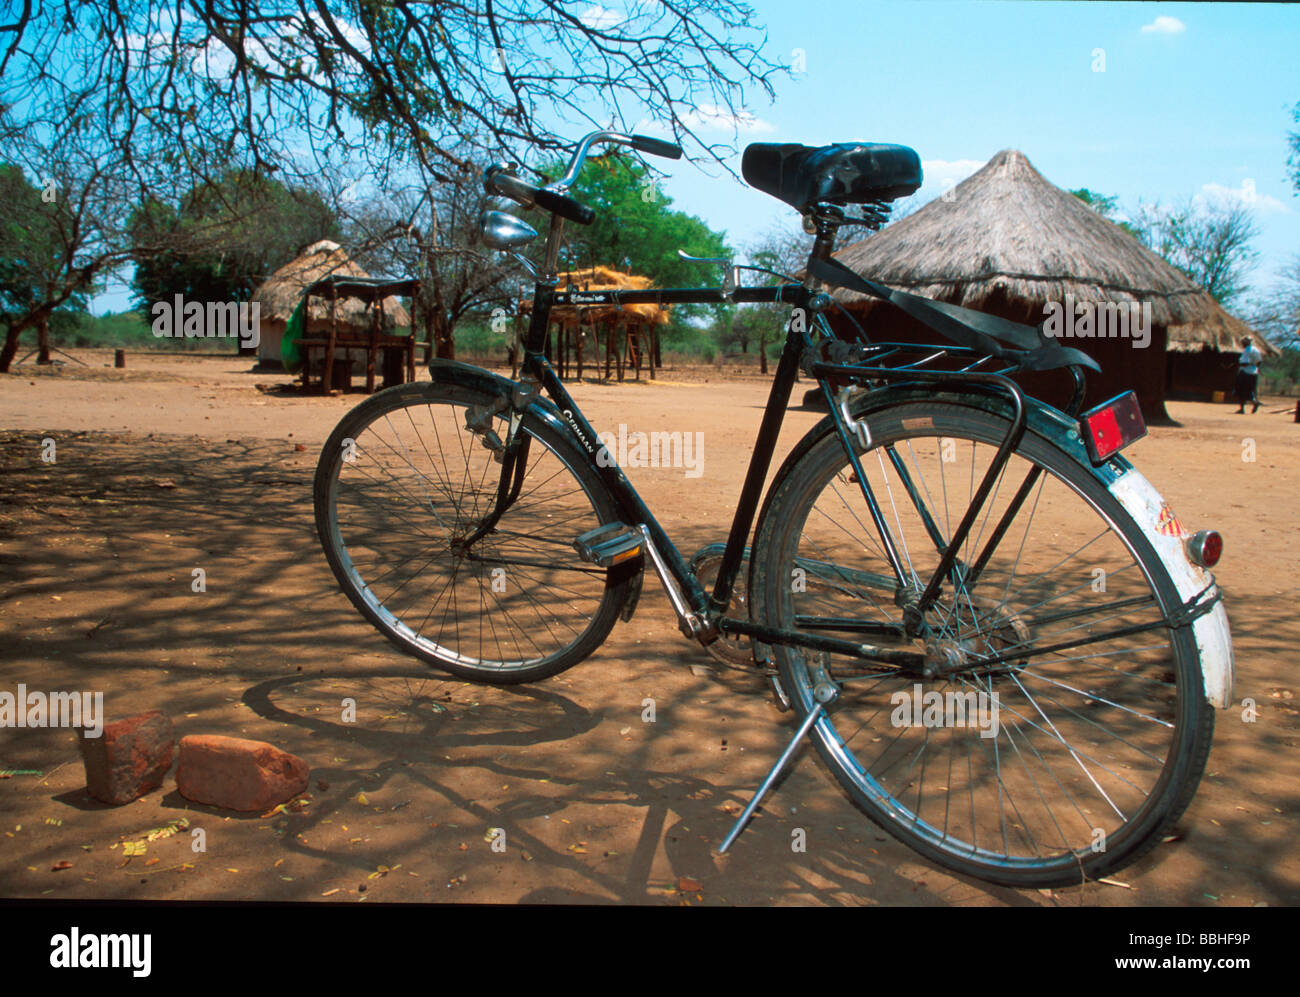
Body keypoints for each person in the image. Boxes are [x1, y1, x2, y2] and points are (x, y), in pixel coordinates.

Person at [1234, 336, 1263, 414]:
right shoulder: (1256, 350)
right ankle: (1254, 402)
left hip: (1245, 372)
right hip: (1254, 372)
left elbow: (1244, 363)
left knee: (1241, 390)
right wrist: (1254, 366)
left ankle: (1242, 409)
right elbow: (1259, 361)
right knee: (1251, 389)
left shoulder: (1247, 350)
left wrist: (1238, 365)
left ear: (1245, 343)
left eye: (1242, 343)